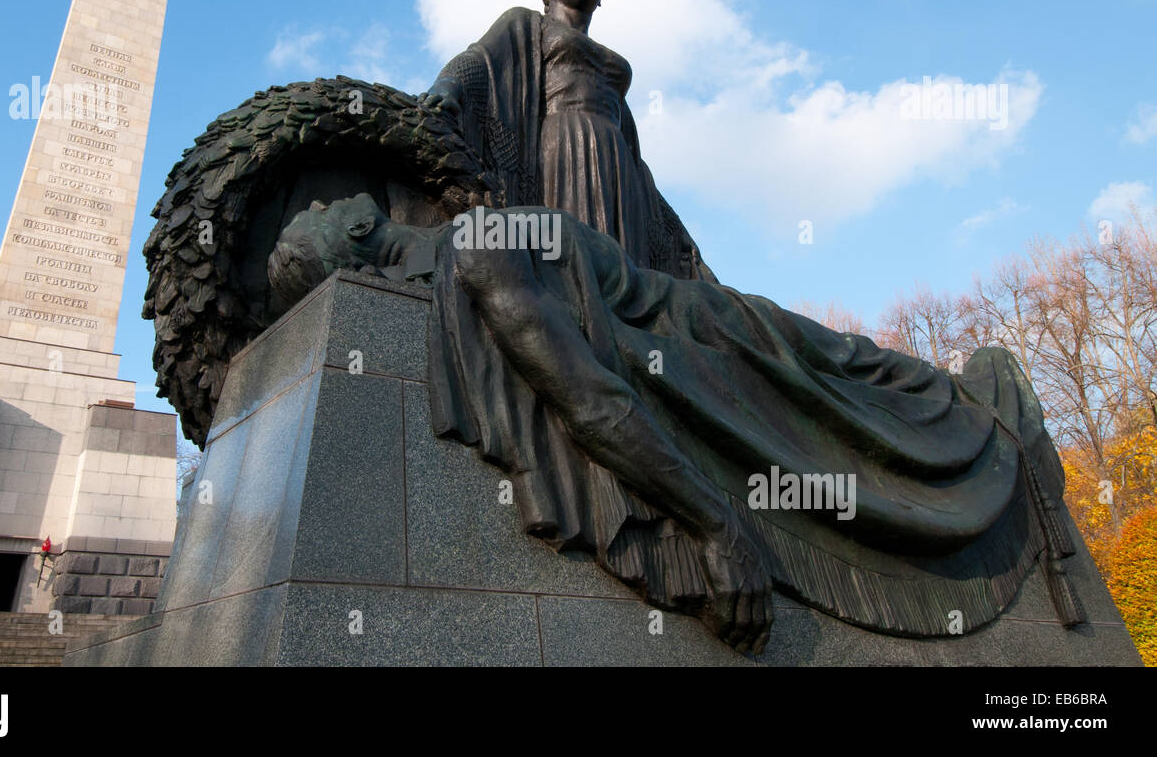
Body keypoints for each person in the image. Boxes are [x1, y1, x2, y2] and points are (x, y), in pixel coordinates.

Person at [269, 195, 1083, 654]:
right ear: (354, 237)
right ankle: (982, 422)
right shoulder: (479, 249)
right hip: (712, 336)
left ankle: (976, 412)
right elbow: (590, 400)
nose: (316, 198)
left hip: (706, 324)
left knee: (868, 377)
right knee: (865, 381)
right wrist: (719, 523)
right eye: (310, 214)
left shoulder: (467, 239)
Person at [418, 0, 713, 281]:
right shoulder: (527, 24)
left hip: (616, 161)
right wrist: (448, 87)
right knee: (570, 258)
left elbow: (636, 157)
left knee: (625, 268)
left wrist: (675, 228)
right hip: (562, 146)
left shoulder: (611, 60)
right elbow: (481, 59)